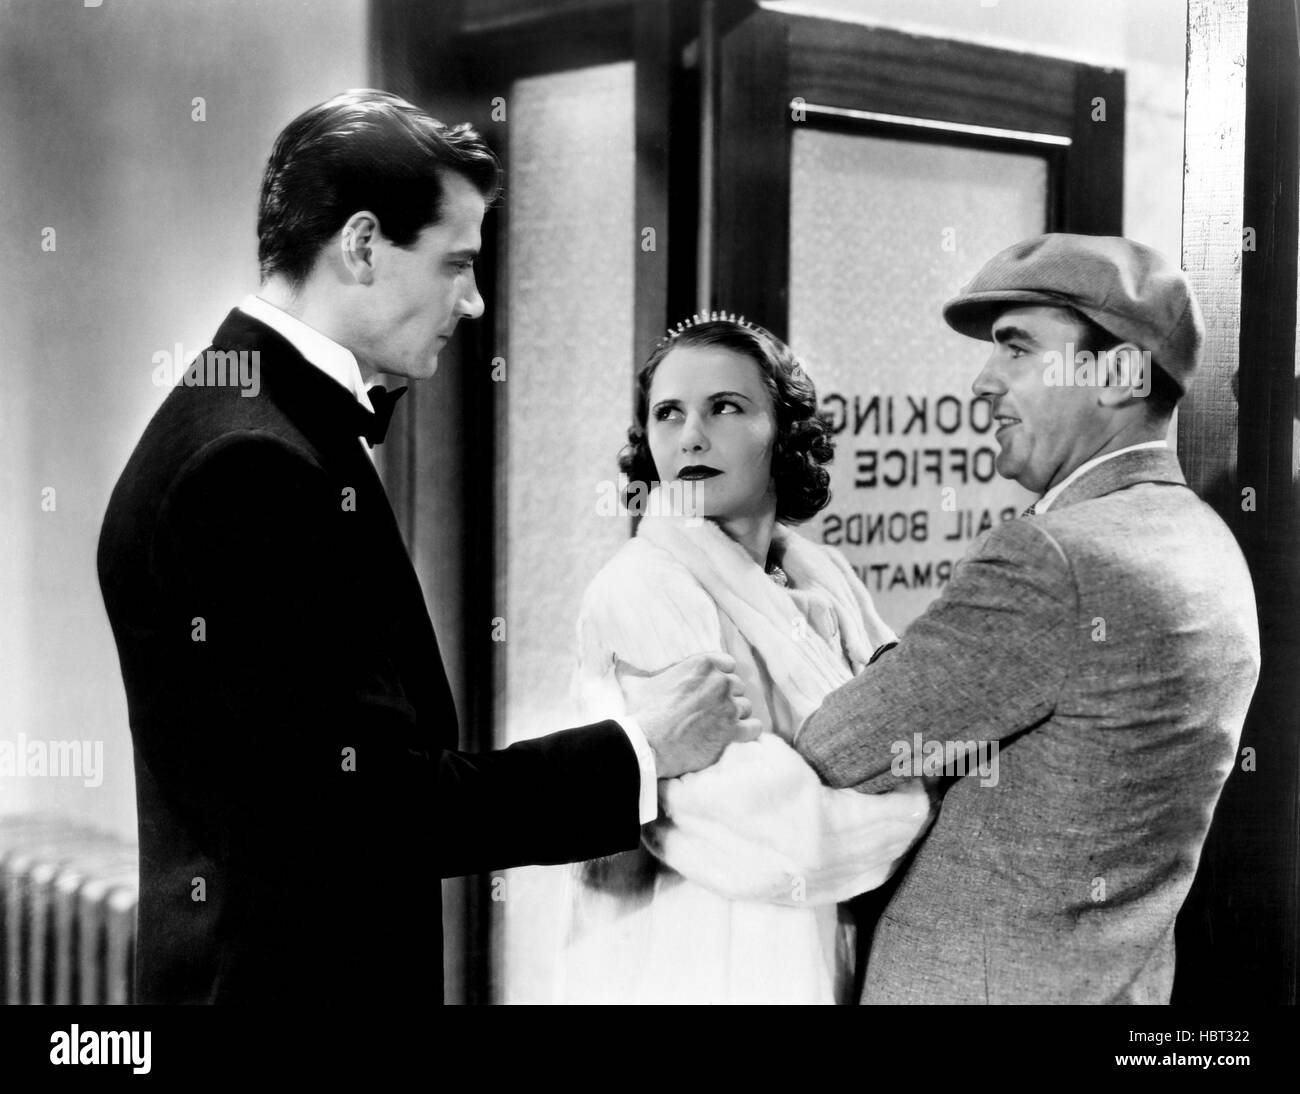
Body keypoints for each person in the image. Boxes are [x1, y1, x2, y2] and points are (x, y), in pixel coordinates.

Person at [96, 91, 756, 1005]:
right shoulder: (247, 463)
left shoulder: (252, 416)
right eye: (457, 265)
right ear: (363, 246)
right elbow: (362, 807)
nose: (475, 302)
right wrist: (640, 750)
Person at [793, 234, 1261, 1003]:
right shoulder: (1208, 541)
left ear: (1117, 375)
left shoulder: (1054, 558)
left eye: (1016, 349)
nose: (983, 382)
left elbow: (834, 750)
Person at [555, 315, 931, 1004]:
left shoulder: (825, 578)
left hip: (818, 946)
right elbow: (767, 835)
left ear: (783, 433)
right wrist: (919, 809)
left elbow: (910, 722)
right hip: (688, 960)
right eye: (667, 414)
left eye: (725, 407)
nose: (691, 435)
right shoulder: (642, 587)